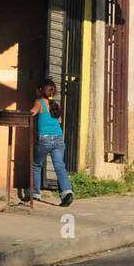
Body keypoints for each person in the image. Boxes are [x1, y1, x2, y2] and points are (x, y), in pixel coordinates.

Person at [31, 78, 74, 206]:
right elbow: (59, 121)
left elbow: (31, 113)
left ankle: (35, 194)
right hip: (59, 139)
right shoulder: (55, 105)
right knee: (60, 166)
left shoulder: (39, 102)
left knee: (36, 165)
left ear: (40, 90)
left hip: (44, 138)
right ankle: (67, 192)